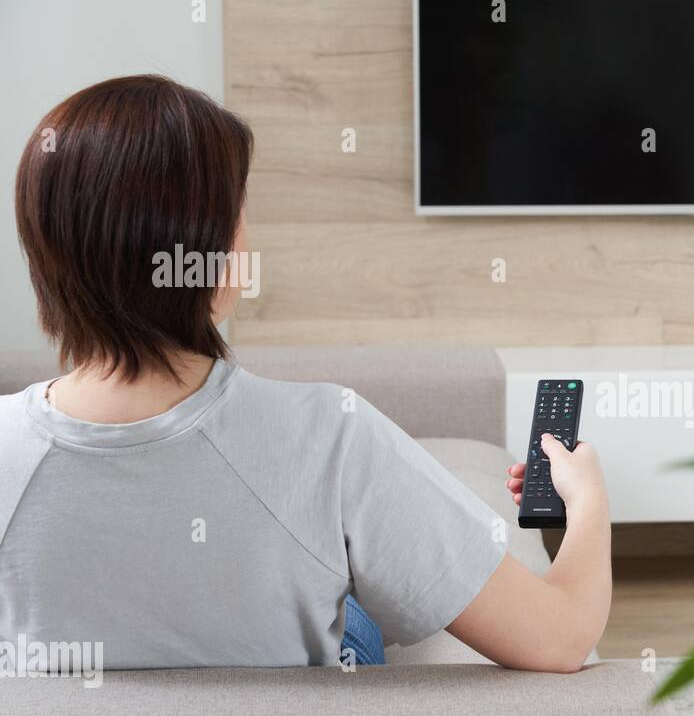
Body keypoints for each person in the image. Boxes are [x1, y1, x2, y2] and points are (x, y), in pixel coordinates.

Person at [1, 75, 611, 673]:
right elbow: (558, 640)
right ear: (205, 252)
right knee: (350, 600)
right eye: (239, 213)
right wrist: (587, 500)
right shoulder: (329, 436)